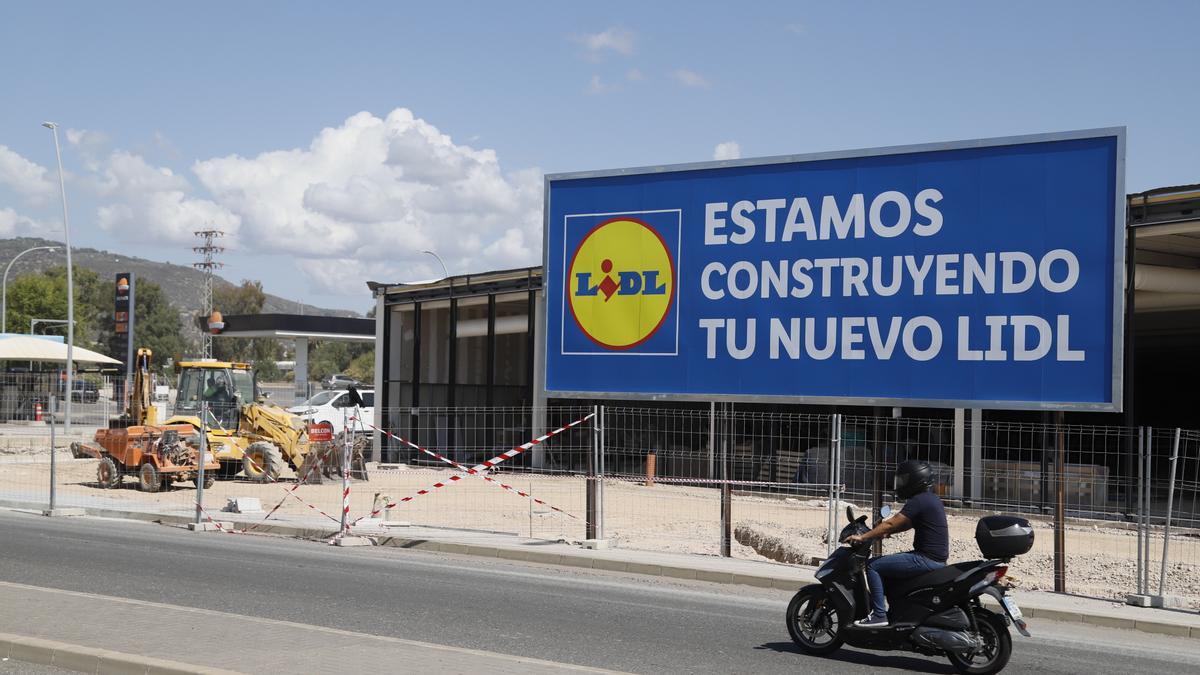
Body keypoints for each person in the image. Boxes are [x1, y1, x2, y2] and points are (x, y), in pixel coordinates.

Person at [847, 459, 949, 627]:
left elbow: (892, 522)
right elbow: (905, 523)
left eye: (904, 480)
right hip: (934, 558)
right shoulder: (930, 498)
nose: (901, 484)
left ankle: (879, 615)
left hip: (926, 559)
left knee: (874, 566)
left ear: (915, 480)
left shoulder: (919, 501)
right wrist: (885, 532)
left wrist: (863, 537)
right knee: (889, 570)